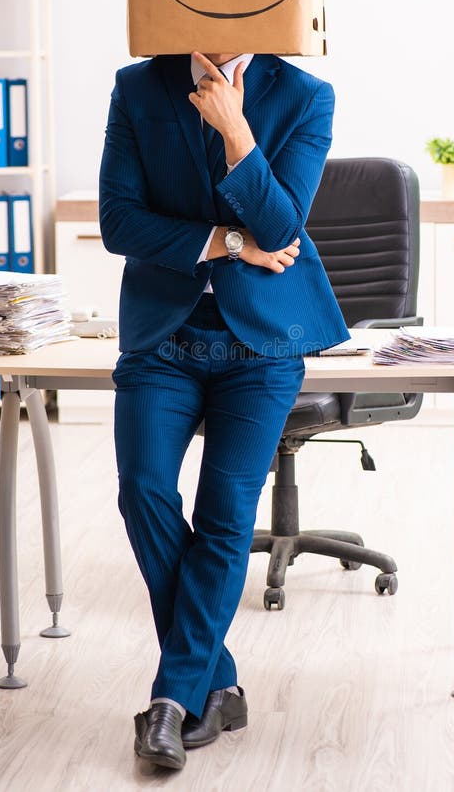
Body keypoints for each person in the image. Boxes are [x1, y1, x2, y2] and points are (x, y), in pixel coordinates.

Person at [99, 48, 349, 771]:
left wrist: (237, 130)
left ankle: (172, 701)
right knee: (141, 491)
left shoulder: (306, 96)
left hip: (262, 347)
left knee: (225, 514)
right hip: (164, 337)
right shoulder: (139, 86)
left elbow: (282, 228)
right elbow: (119, 221)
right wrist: (227, 243)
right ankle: (221, 681)